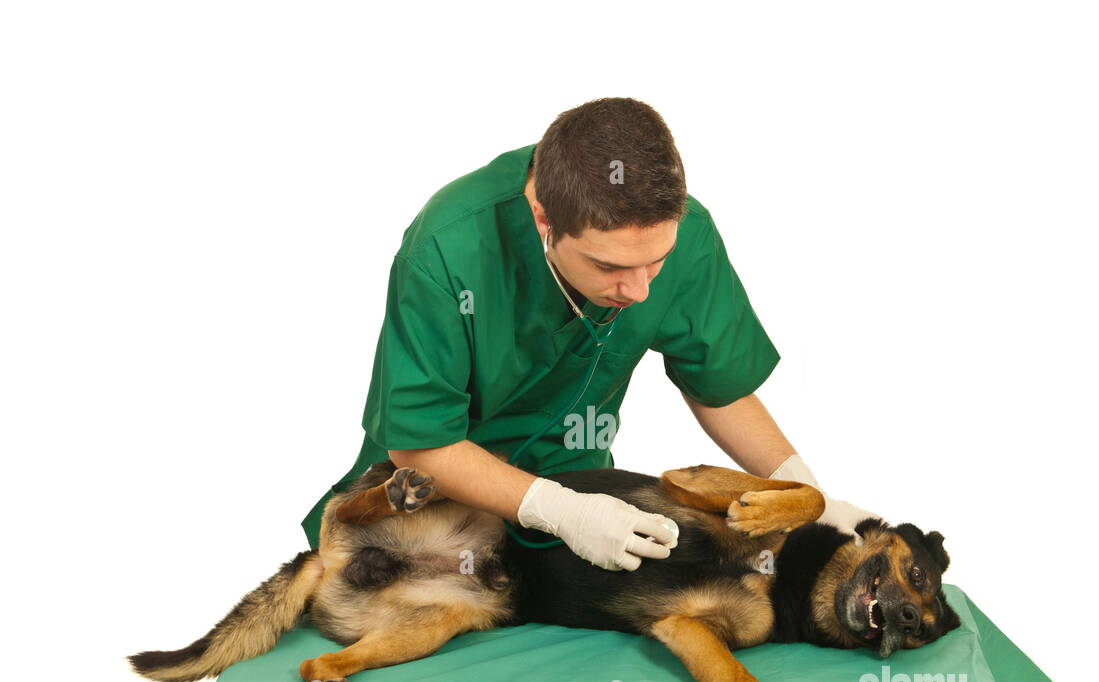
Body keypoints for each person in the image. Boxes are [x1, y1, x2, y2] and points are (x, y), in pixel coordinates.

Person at [301, 97, 879, 571]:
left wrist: (803, 492)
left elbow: (718, 384)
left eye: (657, 262)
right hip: (419, 515)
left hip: (582, 496)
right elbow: (421, 441)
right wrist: (559, 510)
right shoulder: (447, 247)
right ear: (543, 220)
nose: (640, 290)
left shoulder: (686, 234)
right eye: (609, 268)